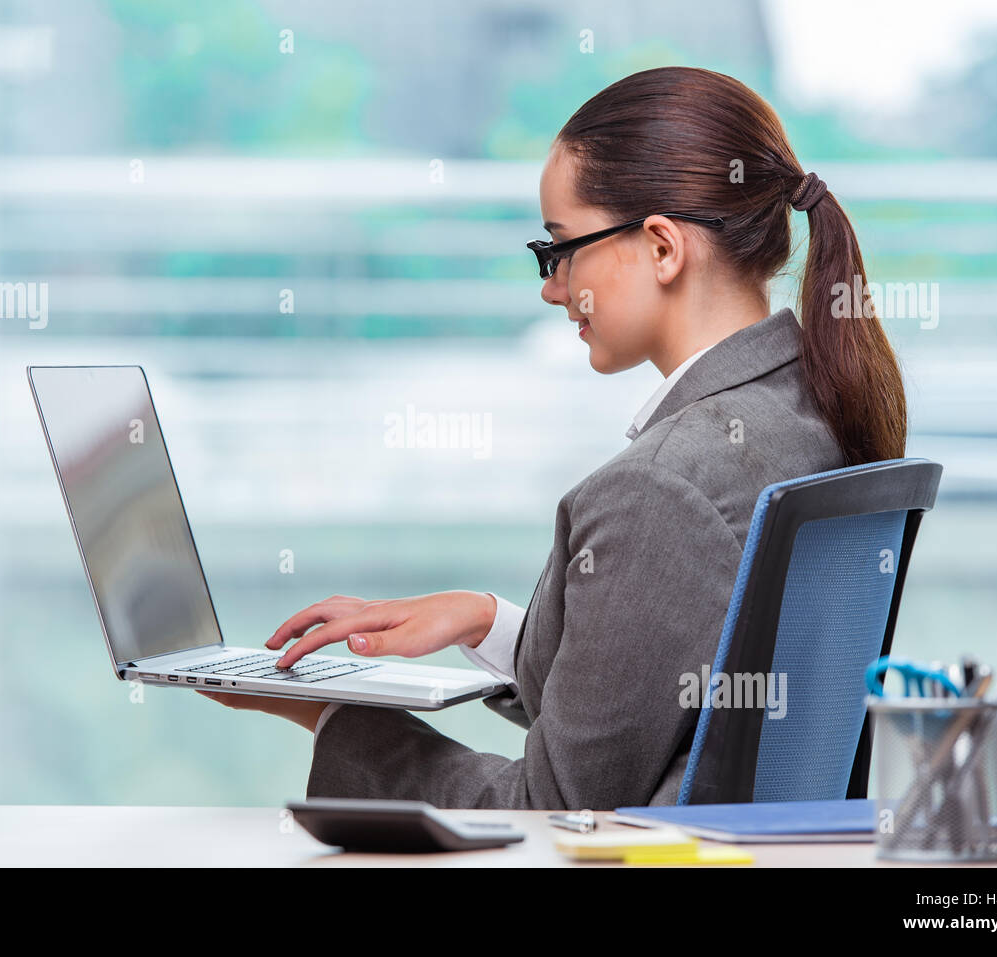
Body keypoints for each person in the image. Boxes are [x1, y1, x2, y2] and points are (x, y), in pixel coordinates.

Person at [198, 66, 907, 809]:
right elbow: (656, 701)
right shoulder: (814, 408)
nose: (552, 285)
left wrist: (331, 716)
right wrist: (486, 619)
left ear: (663, 247)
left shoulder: (661, 487)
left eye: (562, 248)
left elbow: (548, 815)